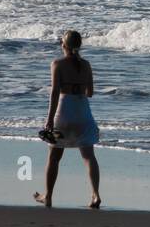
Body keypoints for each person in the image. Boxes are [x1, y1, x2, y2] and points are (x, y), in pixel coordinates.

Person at [34, 30, 101, 209]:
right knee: (88, 157)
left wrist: (49, 119)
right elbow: (91, 93)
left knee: (54, 156)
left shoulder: (57, 64)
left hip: (64, 111)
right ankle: (95, 195)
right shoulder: (86, 65)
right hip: (82, 110)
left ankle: (48, 196)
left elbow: (55, 93)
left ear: (64, 45)